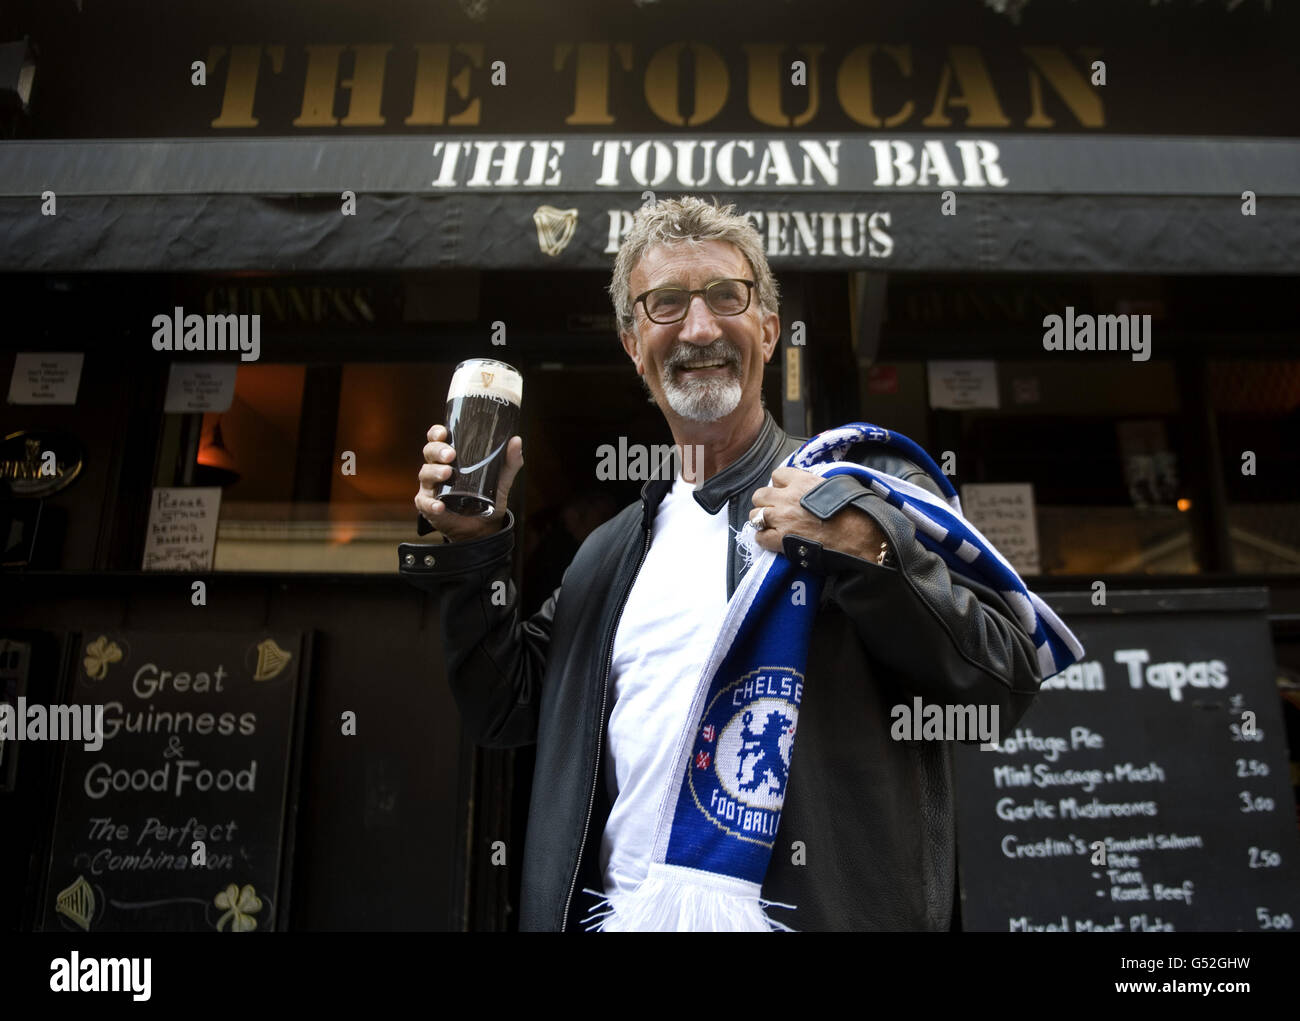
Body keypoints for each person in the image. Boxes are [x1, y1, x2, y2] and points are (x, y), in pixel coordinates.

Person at [402, 196, 1045, 931]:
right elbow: (504, 706)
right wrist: (472, 544)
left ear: (769, 329)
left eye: (725, 296)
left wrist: (866, 548)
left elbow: (1000, 687)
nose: (700, 327)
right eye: (666, 303)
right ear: (633, 343)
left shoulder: (863, 491)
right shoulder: (608, 556)